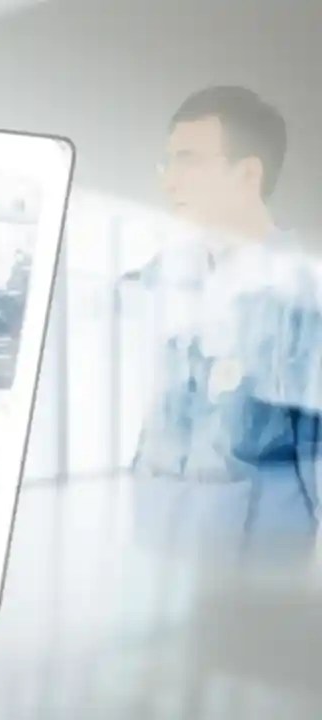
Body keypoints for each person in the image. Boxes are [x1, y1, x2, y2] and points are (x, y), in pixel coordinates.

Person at [125, 85, 320, 564]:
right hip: (158, 560)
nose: (170, 181)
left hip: (255, 578)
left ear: (247, 173)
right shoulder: (156, 281)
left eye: (188, 160)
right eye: (167, 162)